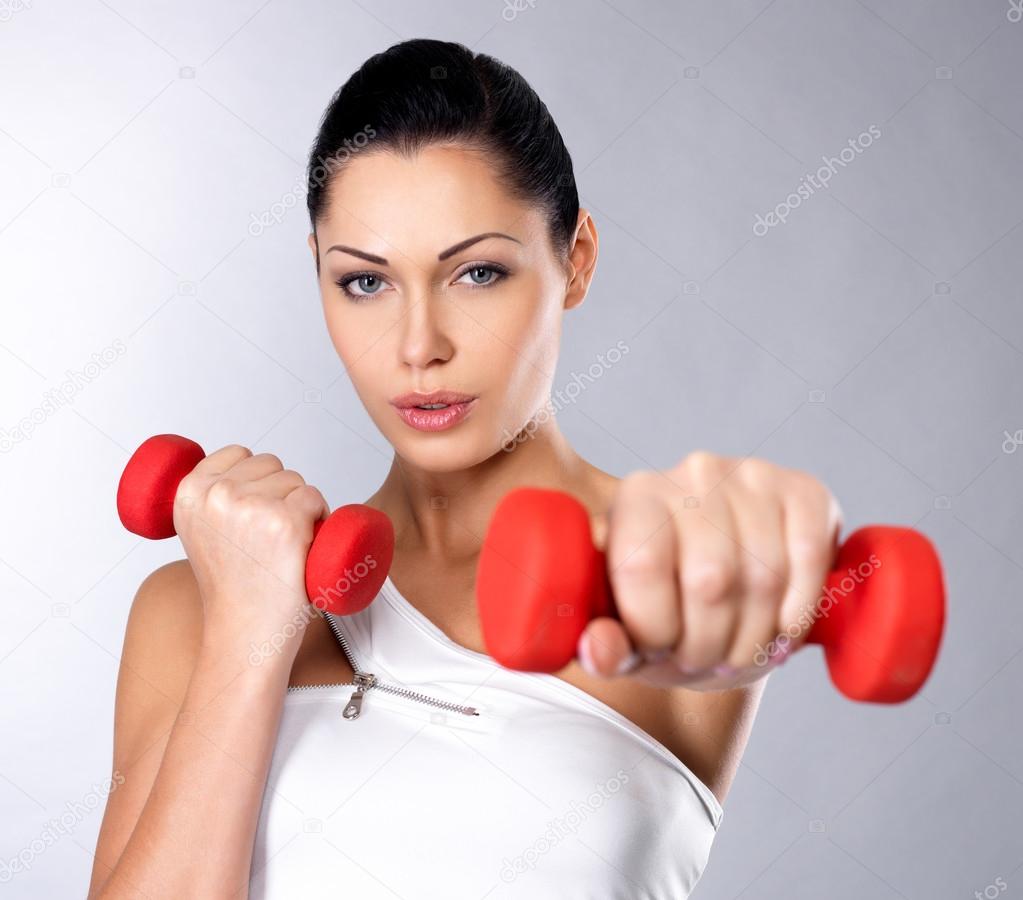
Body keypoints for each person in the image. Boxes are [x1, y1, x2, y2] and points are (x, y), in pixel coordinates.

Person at [88, 38, 841, 899]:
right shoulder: (190, 608)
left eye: (476, 273)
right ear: (319, 279)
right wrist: (249, 632)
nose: (419, 347)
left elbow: (774, 598)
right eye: (365, 283)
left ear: (575, 260)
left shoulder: (668, 572)